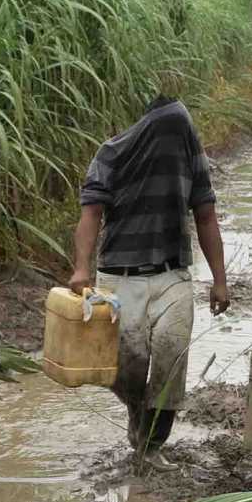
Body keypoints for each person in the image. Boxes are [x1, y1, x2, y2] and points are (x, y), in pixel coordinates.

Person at [71, 92, 232, 464]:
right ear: (147, 129)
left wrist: (219, 280)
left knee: (170, 358)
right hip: (118, 275)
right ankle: (135, 411)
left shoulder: (191, 159)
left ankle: (151, 445)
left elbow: (206, 217)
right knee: (126, 365)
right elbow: (91, 213)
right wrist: (81, 268)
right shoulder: (111, 154)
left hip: (172, 274)